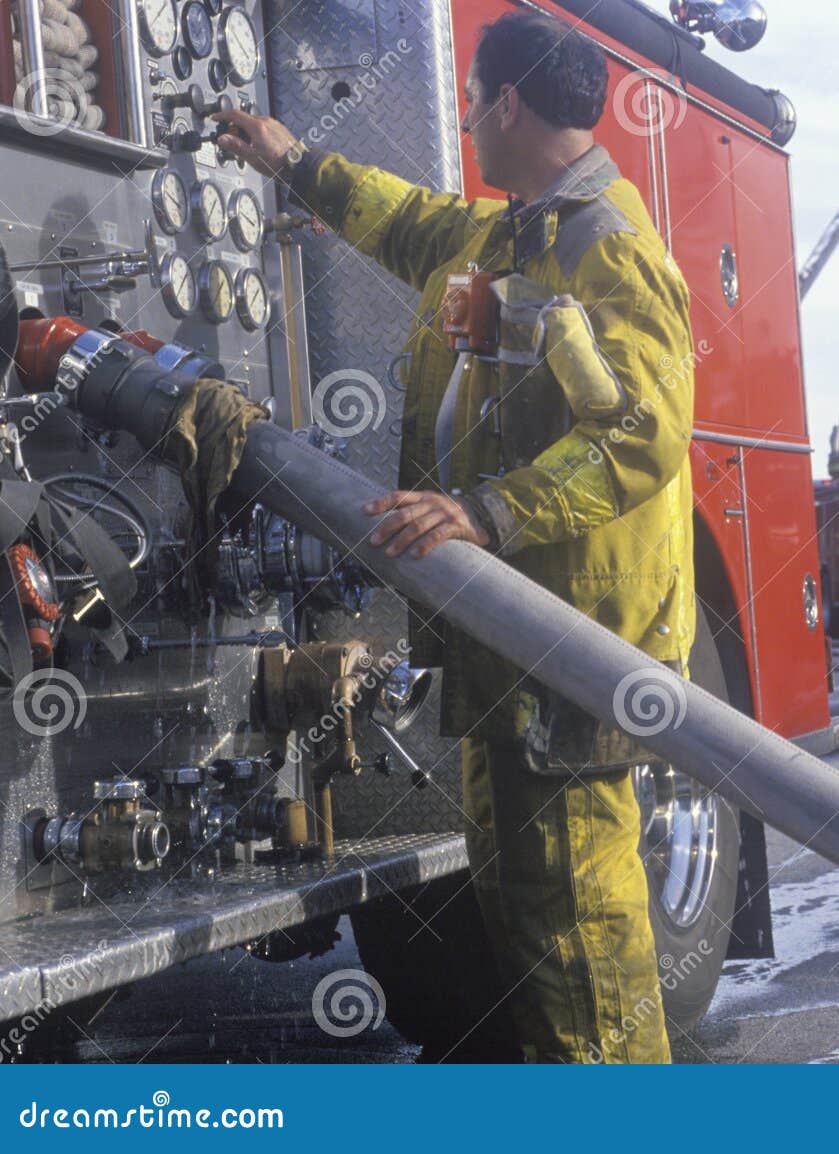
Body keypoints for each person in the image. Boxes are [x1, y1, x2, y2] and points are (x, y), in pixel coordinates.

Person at [214, 9, 691, 1063]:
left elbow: (641, 433)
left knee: (578, 924)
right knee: (527, 908)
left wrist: (488, 512)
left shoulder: (606, 245)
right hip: (515, 641)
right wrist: (293, 161)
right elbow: (412, 224)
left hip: (569, 648)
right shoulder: (510, 232)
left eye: (473, 102)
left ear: (507, 104)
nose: (466, 119)